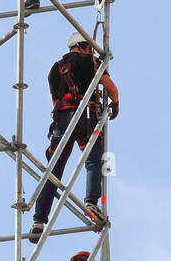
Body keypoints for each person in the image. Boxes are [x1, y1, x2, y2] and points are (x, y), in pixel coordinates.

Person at [29, 31, 119, 242]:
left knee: (53, 171)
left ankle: (39, 220)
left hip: (61, 120)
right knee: (93, 160)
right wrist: (115, 105)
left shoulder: (54, 69)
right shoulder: (91, 62)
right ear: (85, 46)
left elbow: (54, 99)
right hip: (86, 116)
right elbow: (111, 88)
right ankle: (91, 202)